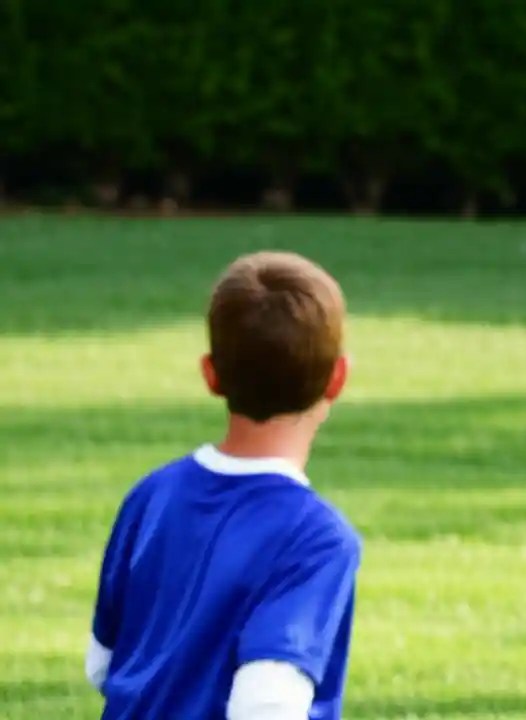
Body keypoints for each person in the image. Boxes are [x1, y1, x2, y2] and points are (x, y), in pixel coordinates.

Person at [85, 251, 362, 719]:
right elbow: (266, 705)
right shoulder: (317, 539)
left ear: (211, 374)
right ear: (338, 378)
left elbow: (103, 665)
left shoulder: (152, 495)